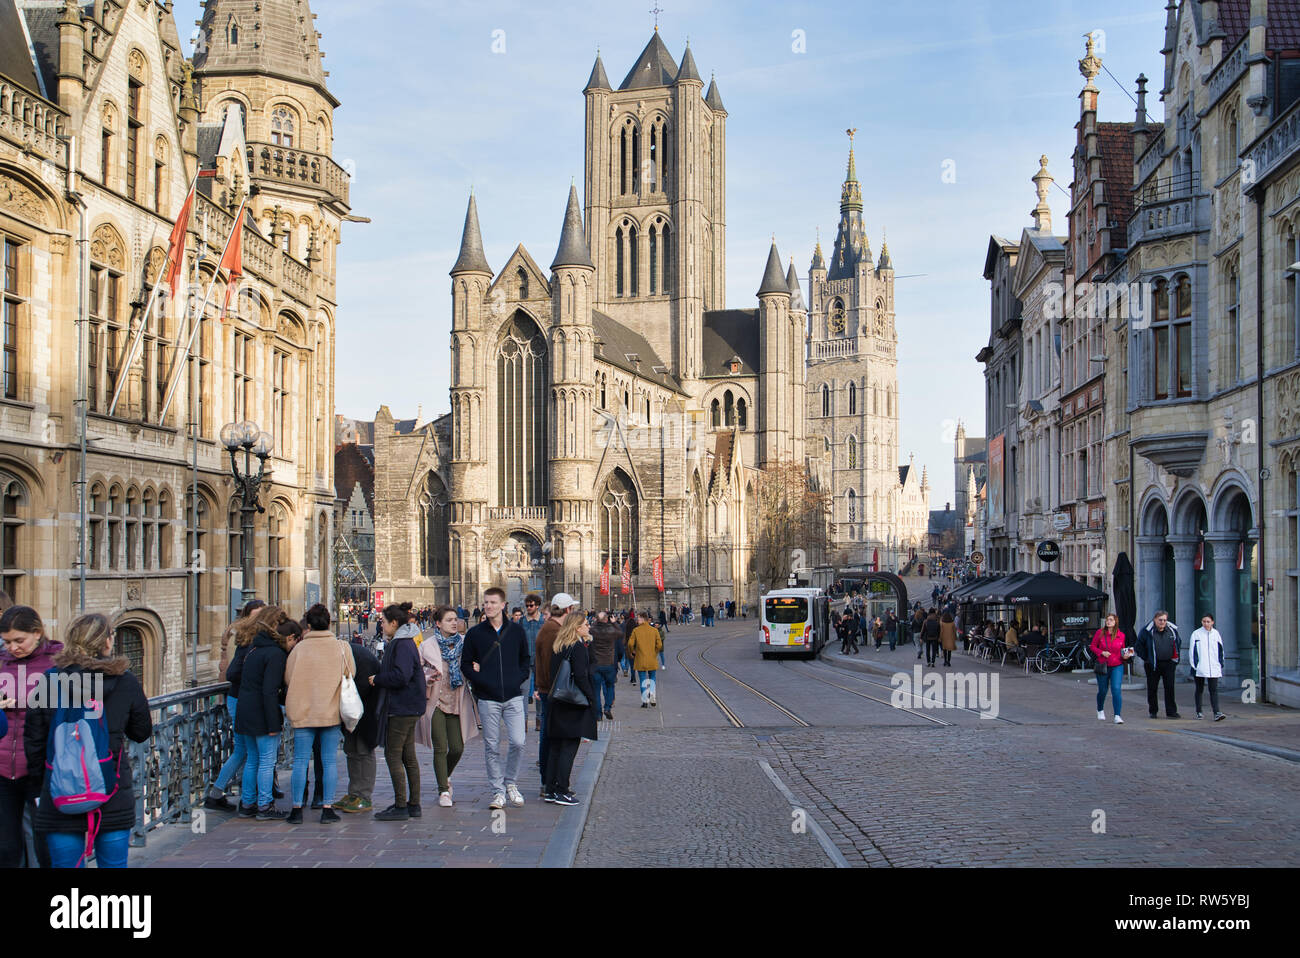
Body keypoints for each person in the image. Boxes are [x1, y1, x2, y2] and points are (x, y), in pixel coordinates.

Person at [24, 613, 151, 868]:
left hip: (60, 788)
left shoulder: (49, 681)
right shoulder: (124, 681)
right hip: (110, 788)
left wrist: (42, 786)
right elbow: (141, 731)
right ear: (106, 642)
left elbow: (34, 741)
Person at [0, 605, 61, 867]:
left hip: (41, 767)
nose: (12, 647)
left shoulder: (57, 663)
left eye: (18, 640)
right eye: (6, 642)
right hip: (2, 769)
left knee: (45, 844)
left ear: (37, 633)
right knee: (5, 847)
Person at [284, 604, 354, 825]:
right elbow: (350, 674)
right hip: (330, 712)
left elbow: (288, 677)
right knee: (328, 761)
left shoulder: (299, 649)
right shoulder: (341, 647)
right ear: (330, 622)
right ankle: (327, 806)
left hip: (303, 712)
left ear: (309, 624)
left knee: (300, 760)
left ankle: (296, 808)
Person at [463, 587, 530, 810]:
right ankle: (498, 790)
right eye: (486, 603)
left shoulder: (517, 632)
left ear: (503, 605)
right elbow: (465, 665)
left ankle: (510, 783)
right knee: (491, 746)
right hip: (488, 698)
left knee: (518, 742)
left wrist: (517, 680)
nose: (488, 606)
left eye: (492, 602)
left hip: (513, 696)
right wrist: (481, 681)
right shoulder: (475, 633)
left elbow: (525, 661)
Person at [414, 606, 479, 807]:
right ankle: (443, 790)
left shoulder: (465, 644)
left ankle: (445, 775)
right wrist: (427, 676)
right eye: (449, 619)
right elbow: (416, 671)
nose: (454, 622)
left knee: (457, 748)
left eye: (455, 619)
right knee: (440, 746)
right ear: (438, 623)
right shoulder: (427, 645)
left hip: (457, 701)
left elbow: (472, 666)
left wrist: (475, 668)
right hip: (434, 702)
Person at [204, 603, 266, 811]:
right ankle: (239, 796)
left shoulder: (249, 640)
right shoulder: (246, 641)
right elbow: (231, 672)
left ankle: (224, 793)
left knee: (244, 751)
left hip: (240, 699)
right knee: (245, 751)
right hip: (241, 699)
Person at [233, 606, 292, 821]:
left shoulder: (253, 649)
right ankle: (265, 804)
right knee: (267, 761)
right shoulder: (275, 654)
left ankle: (248, 803)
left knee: (252, 760)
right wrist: (273, 723)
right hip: (262, 713)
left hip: (245, 710)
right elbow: (269, 691)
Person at [370, 603, 426, 821]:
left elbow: (401, 676)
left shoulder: (401, 644)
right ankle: (414, 804)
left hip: (402, 707)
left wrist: (378, 679)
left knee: (393, 754)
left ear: (394, 623)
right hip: (410, 706)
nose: (381, 625)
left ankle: (401, 804)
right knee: (408, 755)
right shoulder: (405, 641)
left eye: (383, 621)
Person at [544, 613, 597, 805]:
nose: (588, 627)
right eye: (585, 624)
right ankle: (562, 791)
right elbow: (582, 677)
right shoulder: (577, 647)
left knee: (556, 747)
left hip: (558, 701)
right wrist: (592, 699)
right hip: (572, 703)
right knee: (569, 747)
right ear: (576, 628)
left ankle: (550, 790)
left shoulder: (559, 646)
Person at [335, 627, 381, 813]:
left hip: (364, 709)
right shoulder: (346, 653)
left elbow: (363, 687)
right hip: (352, 709)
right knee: (351, 750)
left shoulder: (356, 656)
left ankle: (364, 795)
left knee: (364, 750)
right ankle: (354, 792)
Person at [535, 593, 577, 796]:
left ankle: (549, 781)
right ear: (567, 610)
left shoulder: (552, 628)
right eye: (572, 609)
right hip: (552, 690)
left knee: (550, 734)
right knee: (550, 736)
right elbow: (555, 665)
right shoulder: (553, 631)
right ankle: (547, 781)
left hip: (549, 689)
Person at [1135, 610, 1182, 719]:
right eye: (1160, 620)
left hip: (1169, 663)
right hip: (1153, 665)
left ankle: (1171, 712)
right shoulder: (1146, 631)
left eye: (1164, 620)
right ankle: (1153, 711)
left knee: (1169, 688)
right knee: (1152, 688)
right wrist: (1147, 658)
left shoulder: (1172, 630)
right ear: (1155, 619)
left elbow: (1178, 642)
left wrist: (1175, 659)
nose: (1162, 622)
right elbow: (1138, 646)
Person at [1090, 613, 1130, 724]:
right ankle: (1100, 710)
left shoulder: (1121, 635)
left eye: (1111, 620)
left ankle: (1117, 715)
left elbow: (1122, 649)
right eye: (1107, 620)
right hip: (1103, 665)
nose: (1108, 622)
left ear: (1115, 622)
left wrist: (1125, 655)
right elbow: (1092, 646)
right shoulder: (1100, 633)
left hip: (1117, 665)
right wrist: (1101, 652)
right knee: (1103, 690)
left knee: (1116, 690)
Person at [1189, 613, 1226, 721]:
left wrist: (1220, 663)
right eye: (1204, 621)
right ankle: (1199, 711)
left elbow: (1221, 650)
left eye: (1208, 621)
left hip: (1214, 667)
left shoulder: (1216, 634)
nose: (1206, 623)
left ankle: (1216, 712)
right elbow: (1192, 652)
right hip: (1200, 667)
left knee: (1213, 689)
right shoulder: (1196, 634)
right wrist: (1195, 666)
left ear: (1212, 622)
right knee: (1199, 689)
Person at [589, 611, 620, 720]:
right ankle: (607, 708)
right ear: (607, 619)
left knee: (596, 690)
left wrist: (595, 623)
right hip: (609, 663)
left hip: (596, 663)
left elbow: (589, 631)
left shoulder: (593, 630)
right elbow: (620, 633)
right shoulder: (612, 631)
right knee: (610, 686)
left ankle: (598, 714)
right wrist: (614, 623)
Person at [627, 612, 663, 708]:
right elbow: (659, 645)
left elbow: (630, 644)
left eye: (638, 619)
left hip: (640, 658)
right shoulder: (654, 630)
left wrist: (633, 652)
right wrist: (654, 653)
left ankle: (645, 700)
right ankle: (652, 695)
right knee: (652, 678)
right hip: (652, 658)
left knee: (643, 679)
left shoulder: (636, 630)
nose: (637, 620)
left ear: (643, 619)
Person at [520, 594, 544, 731]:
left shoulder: (543, 622)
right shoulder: (522, 622)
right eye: (527, 605)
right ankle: (523, 721)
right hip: (525, 660)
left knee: (539, 691)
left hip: (540, 661)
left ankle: (539, 720)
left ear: (537, 606)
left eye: (531, 605)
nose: (528, 608)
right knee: (523, 692)